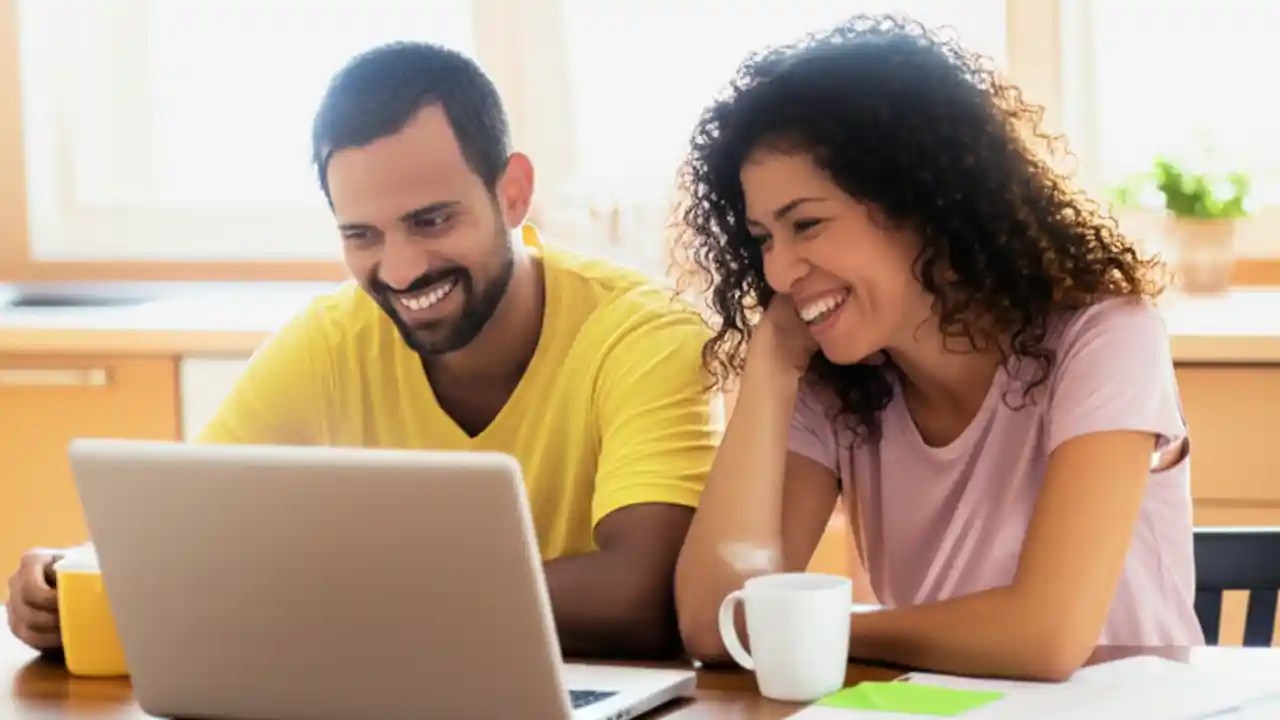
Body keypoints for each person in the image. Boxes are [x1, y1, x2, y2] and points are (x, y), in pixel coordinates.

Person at [8, 42, 718, 660]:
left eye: (431, 220)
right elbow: (182, 539)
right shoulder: (332, 340)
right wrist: (71, 573)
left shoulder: (643, 334)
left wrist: (348, 593)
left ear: (512, 193)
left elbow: (640, 597)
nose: (402, 269)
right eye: (362, 235)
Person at [671, 15, 1202, 681]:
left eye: (807, 223)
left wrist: (817, 627)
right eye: (763, 238)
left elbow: (1045, 637)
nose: (779, 273)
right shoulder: (835, 382)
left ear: (923, 203)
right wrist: (772, 364)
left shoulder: (1105, 337)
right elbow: (714, 624)